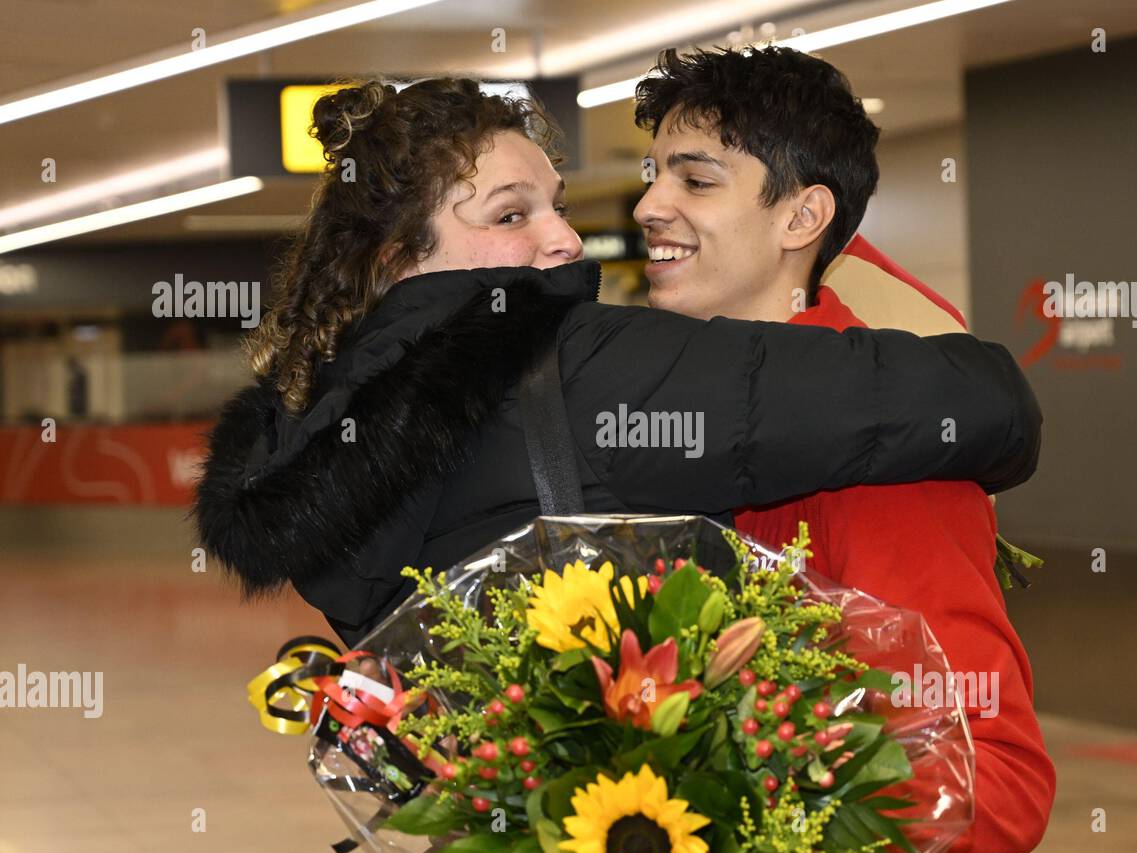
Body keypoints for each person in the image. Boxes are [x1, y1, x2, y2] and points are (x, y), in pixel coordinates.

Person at [191, 76, 1041, 653]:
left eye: (555, 205)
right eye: (511, 214)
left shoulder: (308, 433)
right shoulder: (574, 361)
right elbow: (978, 404)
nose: (563, 238)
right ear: (393, 258)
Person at [631, 45, 1054, 853]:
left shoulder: (885, 443)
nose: (650, 204)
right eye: (653, 174)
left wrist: (762, 767)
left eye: (695, 179)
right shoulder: (664, 407)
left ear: (802, 217)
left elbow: (999, 779)